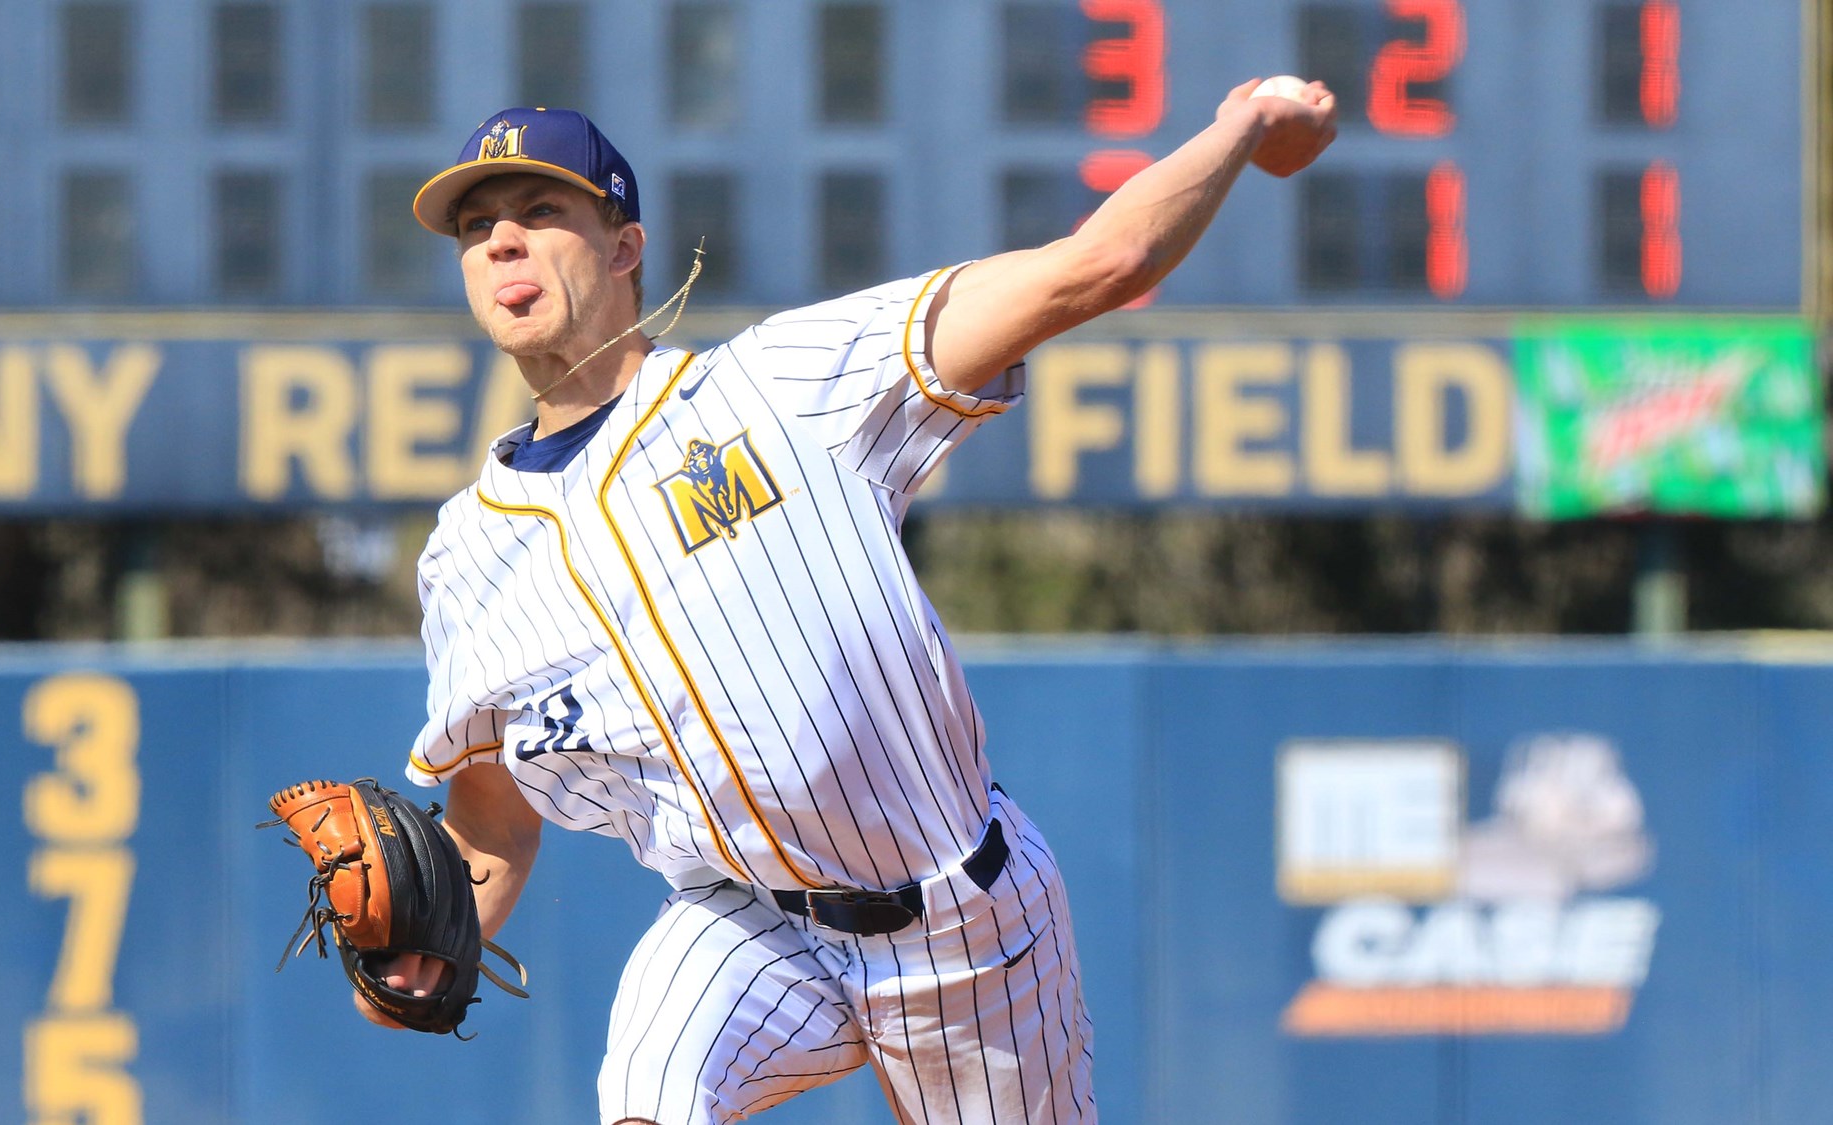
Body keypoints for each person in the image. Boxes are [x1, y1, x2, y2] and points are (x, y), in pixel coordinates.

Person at [370, 82, 1335, 1125]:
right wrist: (419, 951)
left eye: (541, 211)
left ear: (622, 248)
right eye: (476, 229)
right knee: (646, 1106)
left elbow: (1099, 266)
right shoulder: (468, 550)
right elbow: (490, 821)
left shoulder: (784, 385)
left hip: (967, 924)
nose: (502, 241)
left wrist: (1238, 128)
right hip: (743, 927)